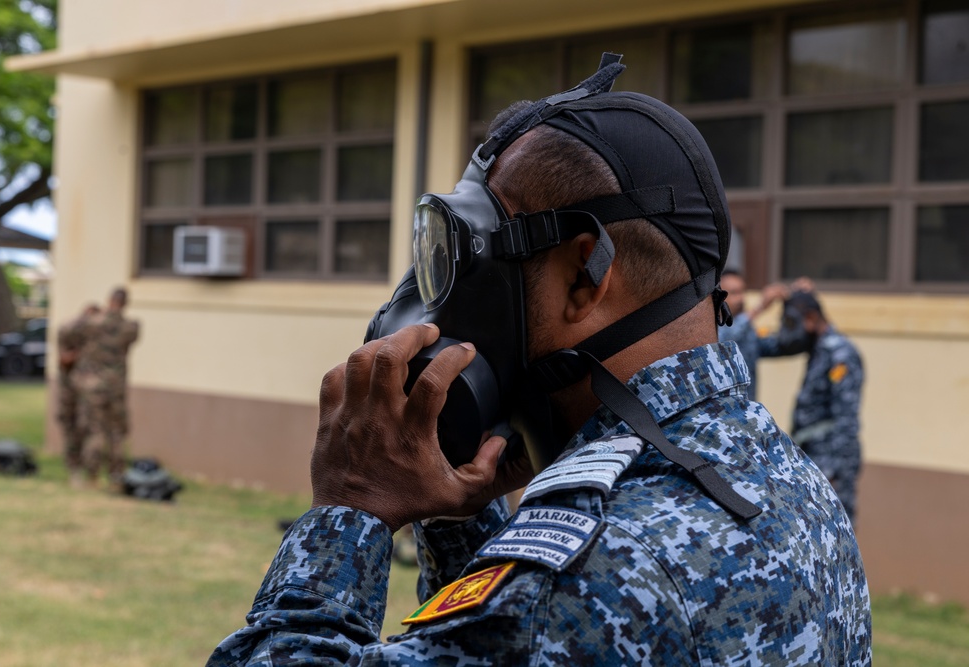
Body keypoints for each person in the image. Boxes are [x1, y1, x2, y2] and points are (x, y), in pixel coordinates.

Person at [208, 57, 870, 666]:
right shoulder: (789, 486)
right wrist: (455, 517)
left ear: (587, 274)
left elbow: (532, 625)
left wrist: (351, 506)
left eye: (486, 267)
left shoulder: (591, 573)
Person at [759, 284, 864, 524]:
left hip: (831, 462)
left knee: (837, 532)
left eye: (794, 323)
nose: (792, 332)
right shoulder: (818, 349)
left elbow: (846, 420)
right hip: (814, 457)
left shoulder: (840, 354)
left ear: (812, 318)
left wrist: (836, 472)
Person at [74, 287, 140, 490]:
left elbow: (76, 330)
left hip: (94, 384)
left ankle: (91, 476)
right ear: (125, 303)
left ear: (110, 300)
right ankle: (116, 476)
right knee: (116, 433)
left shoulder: (94, 322)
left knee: (95, 430)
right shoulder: (131, 326)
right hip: (116, 386)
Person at [716, 270, 783, 400]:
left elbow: (771, 346)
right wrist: (760, 307)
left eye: (743, 291)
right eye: (734, 293)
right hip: (723, 411)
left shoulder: (745, 325)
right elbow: (725, 340)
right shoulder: (711, 325)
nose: (741, 298)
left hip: (748, 406)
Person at [57, 302, 101, 488]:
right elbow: (63, 360)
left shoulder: (98, 336)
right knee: (72, 427)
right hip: (71, 389)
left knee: (88, 428)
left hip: (89, 391)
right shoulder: (70, 330)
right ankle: (75, 469)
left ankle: (90, 471)